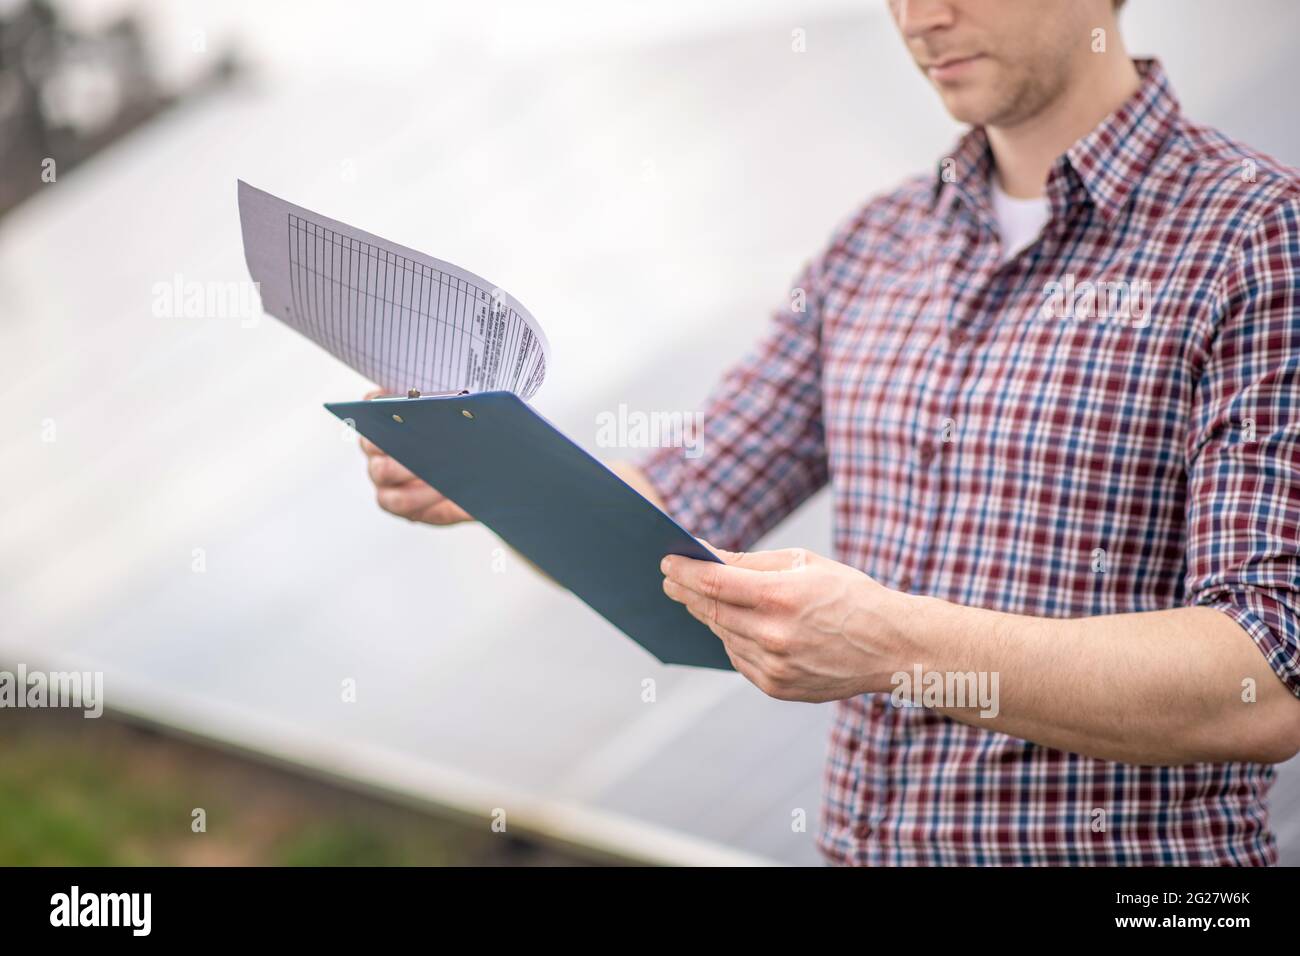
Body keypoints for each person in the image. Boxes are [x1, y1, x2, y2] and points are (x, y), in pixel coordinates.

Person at [360, 0, 1300, 865]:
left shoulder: (1259, 239)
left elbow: (1267, 676)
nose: (922, 17)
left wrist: (893, 646)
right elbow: (670, 513)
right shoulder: (874, 246)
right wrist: (490, 477)